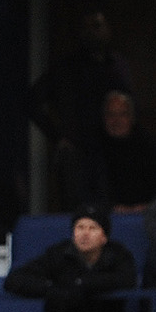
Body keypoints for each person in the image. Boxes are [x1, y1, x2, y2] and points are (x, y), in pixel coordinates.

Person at [5, 211, 136, 312]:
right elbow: (15, 280)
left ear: (104, 237)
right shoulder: (58, 254)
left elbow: (127, 279)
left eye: (92, 228)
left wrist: (82, 284)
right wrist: (51, 289)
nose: (85, 234)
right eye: (79, 227)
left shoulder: (119, 255)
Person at [31, 11, 131, 206]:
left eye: (98, 26)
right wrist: (57, 136)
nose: (93, 33)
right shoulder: (67, 68)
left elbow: (129, 104)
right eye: (88, 27)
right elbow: (31, 101)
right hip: (77, 153)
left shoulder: (116, 65)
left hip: (114, 152)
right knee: (78, 214)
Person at [81, 92, 156, 214]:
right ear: (104, 118)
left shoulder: (149, 146)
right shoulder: (93, 149)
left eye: (122, 114)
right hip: (104, 217)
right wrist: (110, 207)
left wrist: (150, 206)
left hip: (148, 215)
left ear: (132, 117)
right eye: (111, 114)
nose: (116, 120)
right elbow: (86, 190)